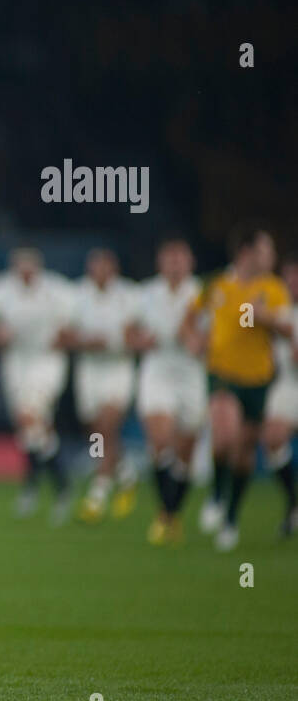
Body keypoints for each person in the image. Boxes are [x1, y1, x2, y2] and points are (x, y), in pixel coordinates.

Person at [184, 226, 293, 551]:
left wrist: (267, 318)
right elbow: (189, 317)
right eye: (266, 250)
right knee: (224, 437)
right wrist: (193, 338)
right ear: (246, 253)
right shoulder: (217, 284)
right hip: (222, 373)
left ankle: (231, 518)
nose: (271, 257)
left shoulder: (272, 289)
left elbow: (289, 329)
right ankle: (217, 493)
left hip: (259, 380)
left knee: (245, 454)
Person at [0, 248, 74, 524]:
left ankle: (57, 488)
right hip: (16, 361)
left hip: (48, 361)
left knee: (31, 416)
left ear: (38, 267)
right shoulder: (1, 287)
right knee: (31, 429)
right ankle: (45, 488)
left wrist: (64, 337)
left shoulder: (57, 289)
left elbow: (75, 327)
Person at [127, 238, 207, 546]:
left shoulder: (203, 293)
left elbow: (217, 335)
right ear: (161, 263)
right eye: (169, 258)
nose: (175, 264)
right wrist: (139, 342)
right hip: (157, 370)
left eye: (180, 258)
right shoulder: (145, 293)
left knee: (186, 454)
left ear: (190, 263)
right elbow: (128, 331)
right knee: (160, 442)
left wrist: (200, 343)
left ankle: (171, 514)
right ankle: (165, 513)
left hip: (190, 373)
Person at [61, 248, 141, 522]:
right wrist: (87, 342)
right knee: (97, 432)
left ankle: (98, 494)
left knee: (107, 425)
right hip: (89, 370)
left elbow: (139, 334)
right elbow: (64, 334)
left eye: (105, 265)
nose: (100, 271)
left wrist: (120, 342)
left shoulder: (130, 294)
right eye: (95, 265)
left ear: (114, 267)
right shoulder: (77, 294)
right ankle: (126, 472)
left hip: (118, 369)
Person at [260, 254, 298, 537]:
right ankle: (293, 503)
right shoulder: (279, 310)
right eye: (288, 277)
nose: (292, 282)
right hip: (288, 384)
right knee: (273, 438)